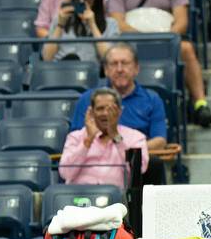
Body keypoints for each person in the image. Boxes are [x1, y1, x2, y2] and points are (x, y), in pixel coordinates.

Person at [106, 0, 211, 126]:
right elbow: (118, 23)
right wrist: (144, 38)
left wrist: (162, 39)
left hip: (166, 41)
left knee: (187, 48)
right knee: (112, 54)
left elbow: (181, 22)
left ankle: (200, 103)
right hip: (131, 41)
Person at [69, 42, 182, 178]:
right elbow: (75, 140)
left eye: (125, 63)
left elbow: (160, 141)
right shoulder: (87, 99)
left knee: (152, 164)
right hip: (94, 165)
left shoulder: (152, 99)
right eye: (114, 64)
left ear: (136, 68)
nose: (120, 69)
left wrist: (125, 149)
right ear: (105, 70)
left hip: (137, 168)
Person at [59, 88, 150, 190]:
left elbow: (139, 170)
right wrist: (88, 141)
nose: (105, 113)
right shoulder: (75, 137)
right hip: (79, 197)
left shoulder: (135, 137)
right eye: (100, 108)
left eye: (110, 109)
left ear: (119, 111)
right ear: (92, 112)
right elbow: (65, 173)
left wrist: (116, 136)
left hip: (117, 200)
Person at [41, 0, 118, 63]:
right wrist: (60, 25)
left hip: (91, 73)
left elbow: (110, 59)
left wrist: (92, 25)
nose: (81, 1)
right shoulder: (59, 20)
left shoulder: (111, 24)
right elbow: (47, 57)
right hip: (61, 71)